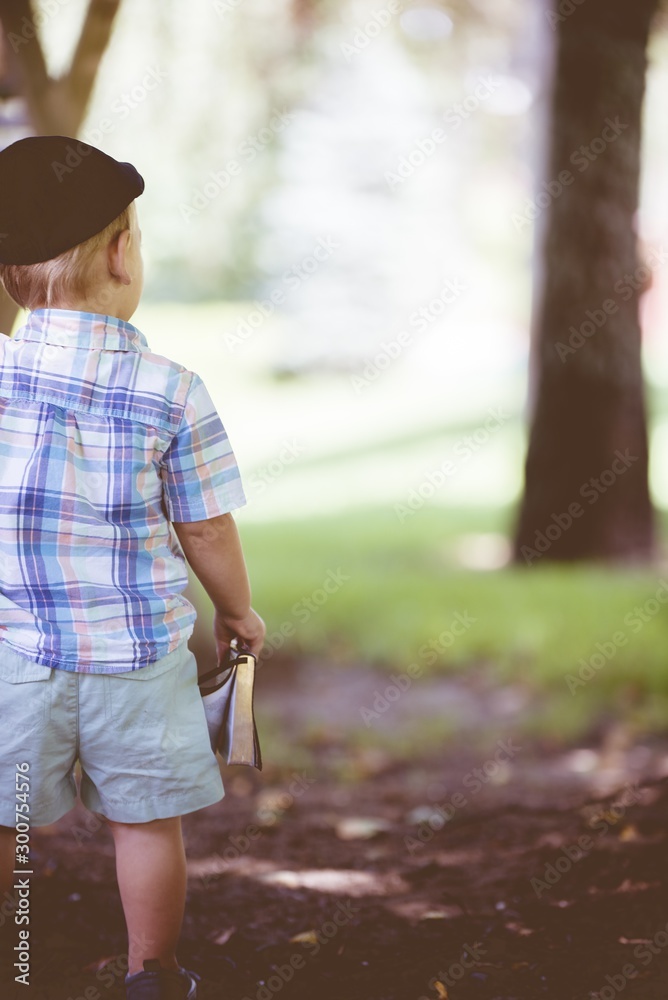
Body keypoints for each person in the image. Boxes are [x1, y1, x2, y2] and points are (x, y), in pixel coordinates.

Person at [0, 135, 265, 1000]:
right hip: (140, 657)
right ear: (122, 254)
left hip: (12, 657)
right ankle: (151, 974)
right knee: (148, 825)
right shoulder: (172, 390)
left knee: (4, 822)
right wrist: (237, 613)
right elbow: (207, 527)